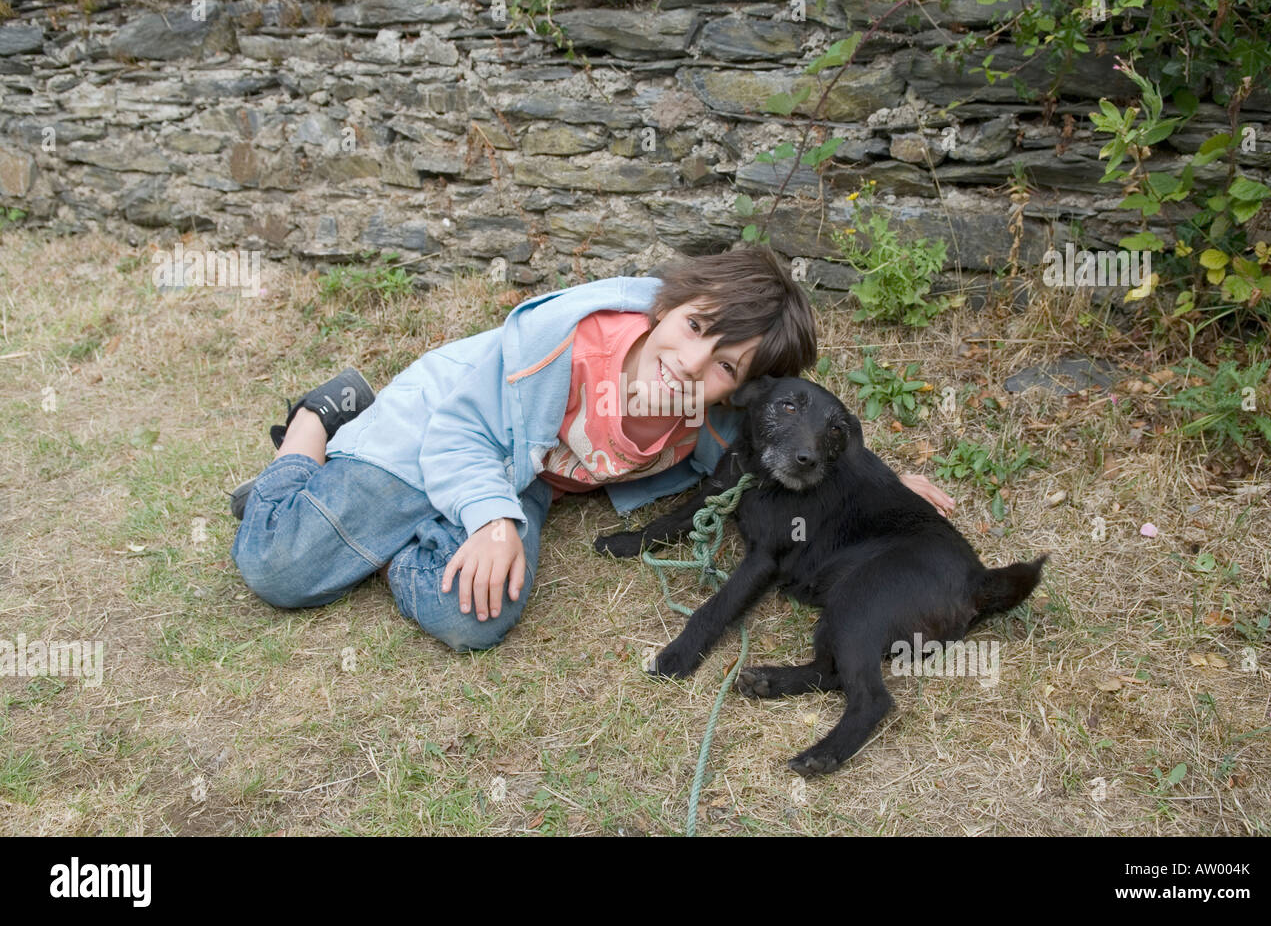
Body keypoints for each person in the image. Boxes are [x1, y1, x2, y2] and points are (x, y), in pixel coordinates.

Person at [228, 247, 955, 651]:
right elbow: (460, 431)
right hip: (438, 427)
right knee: (279, 567)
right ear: (672, 306)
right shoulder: (562, 347)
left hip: (523, 474)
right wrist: (487, 522)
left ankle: (385, 533)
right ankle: (320, 420)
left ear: (740, 389)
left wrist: (871, 484)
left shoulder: (706, 416)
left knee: (473, 618)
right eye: (699, 329)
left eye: (727, 366)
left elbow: (778, 447)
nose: (692, 365)